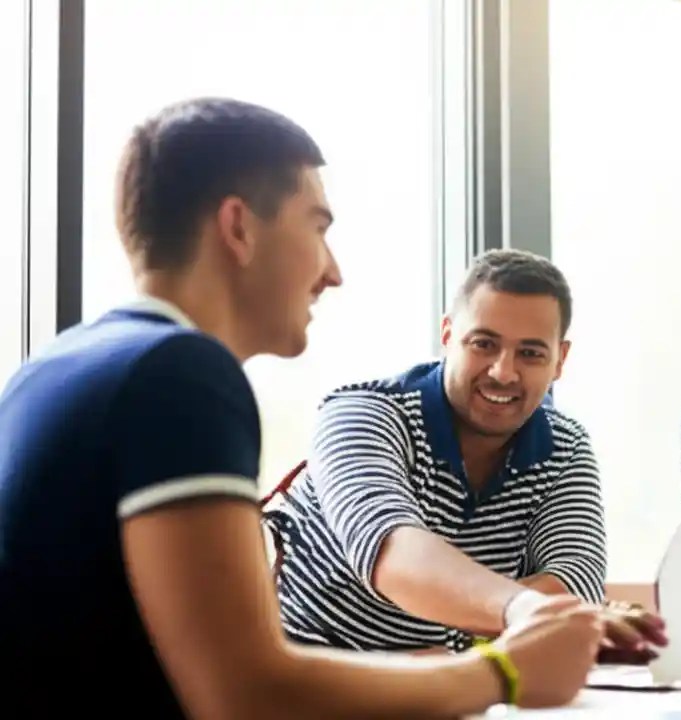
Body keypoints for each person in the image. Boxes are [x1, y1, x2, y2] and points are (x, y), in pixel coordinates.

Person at [0, 97, 602, 717]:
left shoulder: (51, 368)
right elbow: (248, 694)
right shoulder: (181, 375)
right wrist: (497, 673)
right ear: (239, 228)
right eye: (318, 227)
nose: (332, 271)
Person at [264, 248, 666, 661]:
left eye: (530, 353)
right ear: (447, 335)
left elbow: (574, 581)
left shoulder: (565, 447)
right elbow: (394, 557)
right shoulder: (360, 414)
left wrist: (469, 655)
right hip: (311, 679)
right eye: (484, 344)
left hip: (455, 683)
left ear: (559, 361)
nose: (503, 372)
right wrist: (521, 612)